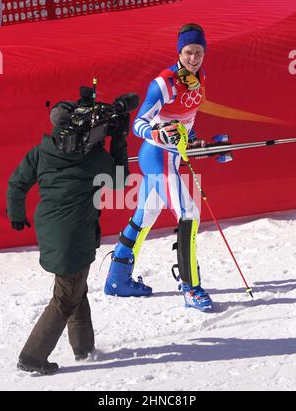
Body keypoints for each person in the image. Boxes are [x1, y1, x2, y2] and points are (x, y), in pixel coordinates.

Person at [6, 89, 130, 374]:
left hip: (50, 229)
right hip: (73, 236)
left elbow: (16, 184)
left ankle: (84, 349)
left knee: (76, 288)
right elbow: (121, 182)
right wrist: (119, 141)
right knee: (65, 299)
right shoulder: (93, 159)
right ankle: (32, 357)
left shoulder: (43, 150)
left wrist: (15, 213)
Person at [104, 23, 213, 312]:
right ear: (179, 51)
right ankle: (191, 287)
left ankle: (118, 279)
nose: (193, 58)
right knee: (189, 214)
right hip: (157, 156)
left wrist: (192, 140)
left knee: (146, 214)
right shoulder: (164, 83)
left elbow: (185, 119)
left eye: (198, 52)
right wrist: (158, 134)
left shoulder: (199, 78)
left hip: (170, 156)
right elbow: (139, 123)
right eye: (188, 52)